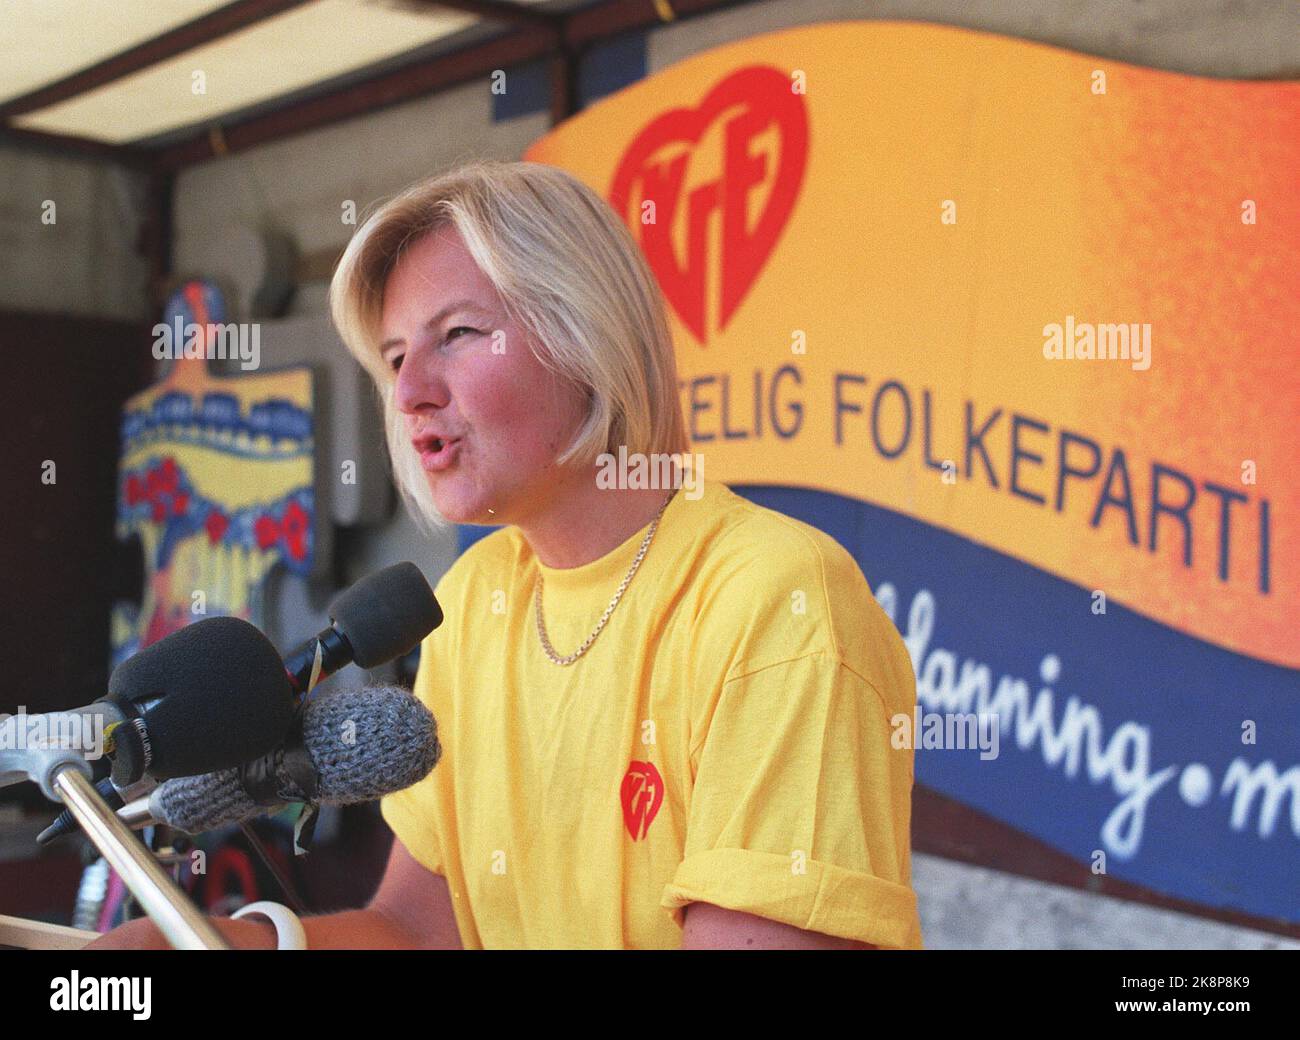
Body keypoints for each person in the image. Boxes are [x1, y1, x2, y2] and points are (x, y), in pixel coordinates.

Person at [89, 160, 922, 950]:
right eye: (394, 357)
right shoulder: (473, 598)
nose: (409, 392)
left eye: (456, 334)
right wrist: (225, 942)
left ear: (589, 336)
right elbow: (419, 932)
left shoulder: (777, 600)